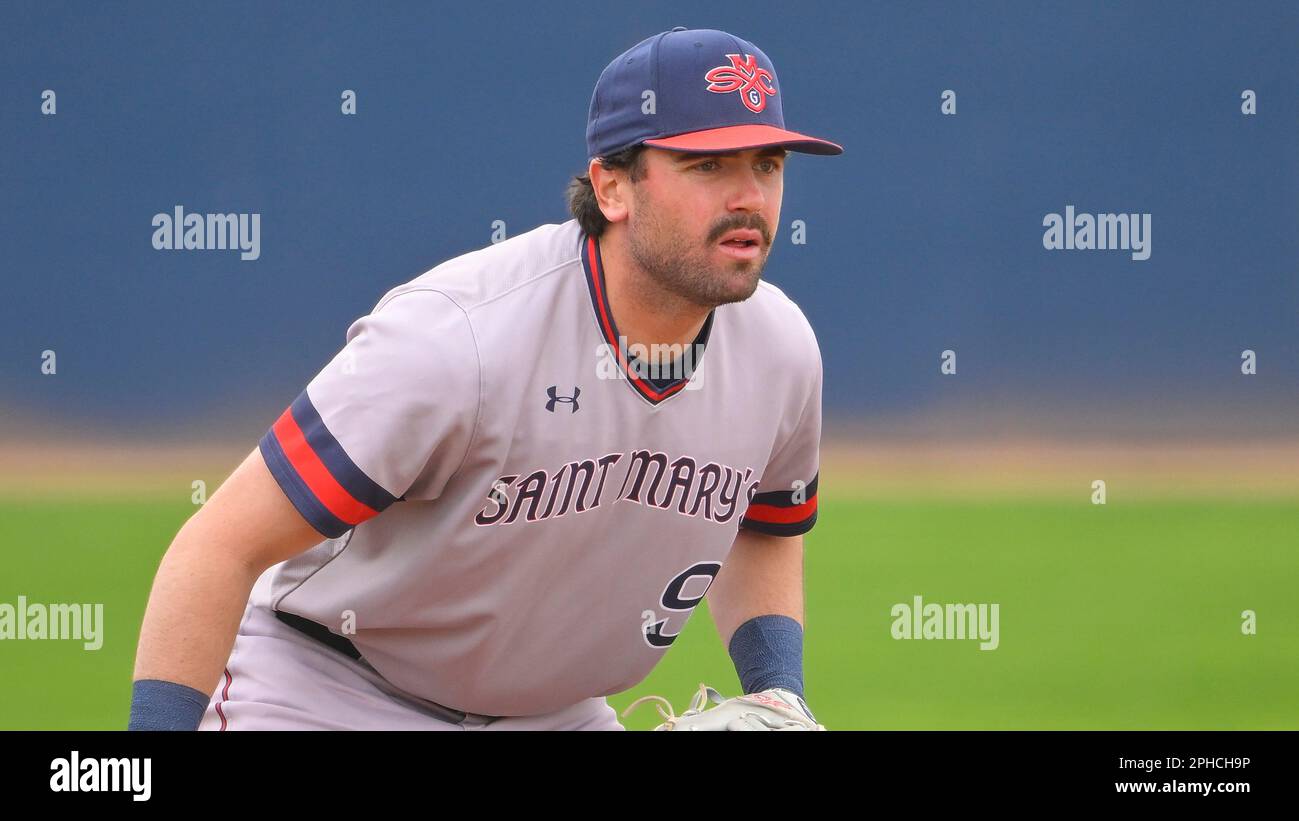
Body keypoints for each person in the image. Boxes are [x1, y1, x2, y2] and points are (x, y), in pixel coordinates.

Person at [129, 26, 842, 731]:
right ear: (614, 185)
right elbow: (219, 545)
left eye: (768, 163)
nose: (749, 195)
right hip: (332, 693)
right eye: (708, 166)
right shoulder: (456, 341)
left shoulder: (779, 351)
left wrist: (778, 693)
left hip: (554, 715)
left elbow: (766, 523)